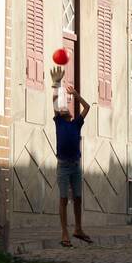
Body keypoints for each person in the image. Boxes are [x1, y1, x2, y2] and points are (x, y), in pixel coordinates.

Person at [53, 81, 92, 247]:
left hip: (75, 165)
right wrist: (55, 84)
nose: (65, 108)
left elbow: (87, 107)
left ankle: (78, 229)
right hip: (63, 166)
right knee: (63, 199)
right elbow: (55, 102)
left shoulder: (76, 123)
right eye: (63, 109)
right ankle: (64, 232)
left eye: (66, 108)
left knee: (77, 198)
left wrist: (76, 96)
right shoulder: (59, 122)